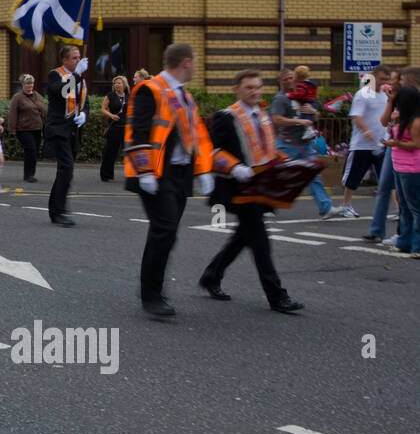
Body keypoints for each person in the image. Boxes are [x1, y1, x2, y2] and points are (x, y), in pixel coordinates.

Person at [198, 69, 305, 313]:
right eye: (249, 87)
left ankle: (212, 275)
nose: (255, 91)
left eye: (258, 87)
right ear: (236, 89)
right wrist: (235, 168)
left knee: (243, 237)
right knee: (260, 240)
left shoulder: (263, 115)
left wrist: (283, 160)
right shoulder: (227, 117)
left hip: (261, 187)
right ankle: (277, 295)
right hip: (240, 188)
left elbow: (267, 149)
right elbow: (211, 151)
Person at [124, 43, 216, 318]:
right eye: (194, 62)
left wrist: (204, 170)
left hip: (178, 173)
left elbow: (196, 136)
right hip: (156, 174)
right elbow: (137, 131)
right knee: (163, 230)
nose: (196, 66)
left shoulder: (183, 96)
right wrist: (145, 171)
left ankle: (152, 289)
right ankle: (151, 296)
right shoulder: (150, 89)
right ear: (186, 62)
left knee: (168, 232)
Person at [269, 68, 338, 218]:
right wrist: (298, 121)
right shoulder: (280, 99)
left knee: (313, 174)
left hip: (305, 144)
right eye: (285, 79)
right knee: (279, 175)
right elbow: (277, 119)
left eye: (291, 77)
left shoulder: (303, 95)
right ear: (279, 82)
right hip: (287, 144)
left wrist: (314, 112)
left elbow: (316, 118)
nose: (289, 81)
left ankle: (326, 207)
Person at [46, 46, 89, 226]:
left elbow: (83, 102)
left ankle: (55, 209)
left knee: (64, 171)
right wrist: (76, 75)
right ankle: (61, 210)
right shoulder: (55, 75)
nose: (77, 61)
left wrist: (85, 114)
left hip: (73, 130)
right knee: (67, 168)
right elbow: (61, 92)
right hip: (58, 129)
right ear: (65, 60)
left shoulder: (80, 80)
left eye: (79, 57)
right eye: (74, 58)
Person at [341, 66, 391, 218]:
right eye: (383, 79)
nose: (385, 82)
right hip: (362, 144)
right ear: (374, 77)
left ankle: (397, 209)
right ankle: (346, 206)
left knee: (388, 179)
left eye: (387, 79)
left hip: (382, 143)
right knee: (354, 178)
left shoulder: (386, 95)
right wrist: (366, 130)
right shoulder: (363, 94)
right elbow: (357, 116)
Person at [381, 83, 420, 258]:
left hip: (412, 167)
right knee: (403, 206)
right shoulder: (400, 117)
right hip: (399, 165)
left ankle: (417, 245)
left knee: (415, 207)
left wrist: (397, 144)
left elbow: (417, 144)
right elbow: (384, 122)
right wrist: (389, 102)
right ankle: (404, 242)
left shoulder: (416, 121)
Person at [7, 74, 45, 183]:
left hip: (37, 128)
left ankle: (31, 173)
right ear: (23, 85)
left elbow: (44, 111)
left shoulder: (38, 96)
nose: (30, 86)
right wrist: (12, 129)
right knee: (30, 150)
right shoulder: (17, 97)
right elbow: (12, 113)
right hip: (23, 129)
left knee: (35, 151)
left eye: (31, 83)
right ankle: (28, 175)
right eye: (27, 83)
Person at [100, 75, 129, 182]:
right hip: (114, 127)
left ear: (124, 84)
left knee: (128, 153)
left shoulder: (128, 96)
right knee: (110, 152)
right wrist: (111, 116)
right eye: (115, 83)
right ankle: (106, 174)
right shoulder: (110, 95)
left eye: (119, 83)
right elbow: (103, 109)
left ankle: (131, 175)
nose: (117, 85)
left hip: (126, 127)